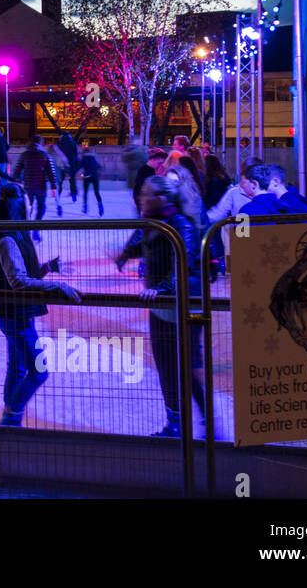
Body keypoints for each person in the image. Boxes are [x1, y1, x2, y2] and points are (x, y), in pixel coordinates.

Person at [116, 174, 205, 438]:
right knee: (166, 366)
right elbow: (137, 245)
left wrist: (161, 289)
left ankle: (207, 418)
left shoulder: (181, 226)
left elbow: (183, 262)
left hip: (184, 303)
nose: (141, 197)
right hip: (161, 306)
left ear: (162, 199)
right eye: (141, 192)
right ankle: (175, 422)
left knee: (185, 367)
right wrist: (125, 254)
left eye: (146, 193)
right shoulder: (152, 223)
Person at [0, 183, 81, 426]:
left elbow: (23, 275)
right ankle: (11, 416)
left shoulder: (16, 233)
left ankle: (10, 409)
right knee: (38, 370)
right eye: (25, 202)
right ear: (19, 206)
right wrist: (57, 287)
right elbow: (17, 280)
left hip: (17, 310)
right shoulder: (7, 238)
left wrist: (47, 267)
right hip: (14, 312)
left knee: (17, 366)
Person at [11, 136, 58, 232]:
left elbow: (17, 170)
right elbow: (51, 172)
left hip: (28, 186)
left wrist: (16, 180)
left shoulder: (24, 155)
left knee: (28, 207)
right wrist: (53, 186)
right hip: (41, 187)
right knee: (41, 207)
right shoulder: (45, 155)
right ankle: (36, 227)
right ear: (41, 143)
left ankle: (27, 226)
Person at [80, 144, 103, 215]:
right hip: (95, 176)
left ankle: (85, 207)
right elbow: (99, 166)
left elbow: (79, 167)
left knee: (85, 192)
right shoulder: (94, 157)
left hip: (87, 177)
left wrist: (81, 175)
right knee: (96, 192)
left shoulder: (83, 158)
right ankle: (100, 206)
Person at [56, 131, 80, 202]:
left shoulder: (59, 144)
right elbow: (76, 155)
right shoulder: (73, 143)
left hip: (61, 165)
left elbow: (57, 155)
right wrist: (76, 166)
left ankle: (58, 196)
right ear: (69, 135)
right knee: (72, 181)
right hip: (71, 165)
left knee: (60, 182)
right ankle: (74, 196)